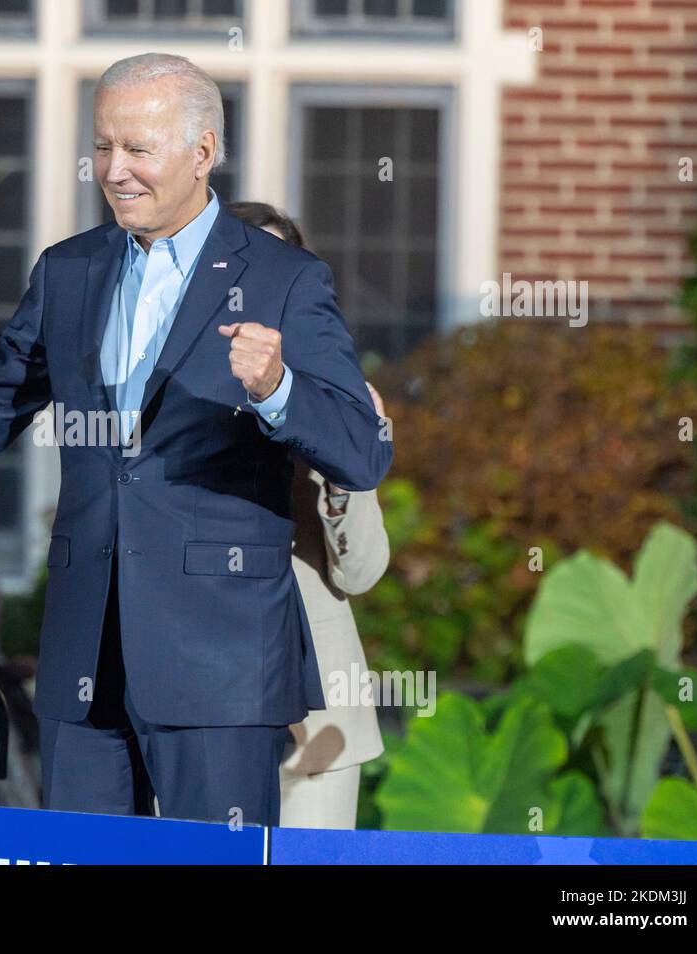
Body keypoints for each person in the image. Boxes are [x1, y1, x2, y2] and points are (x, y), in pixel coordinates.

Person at [0, 53, 392, 827]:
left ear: (203, 153)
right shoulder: (68, 271)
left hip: (221, 666)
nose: (115, 170)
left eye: (139, 149)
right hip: (83, 660)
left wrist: (278, 390)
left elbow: (362, 451)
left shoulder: (286, 280)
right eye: (103, 147)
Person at [226, 201, 390, 830]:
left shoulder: (331, 402)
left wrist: (346, 469)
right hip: (190, 701)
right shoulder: (172, 391)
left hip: (319, 720)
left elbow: (362, 572)